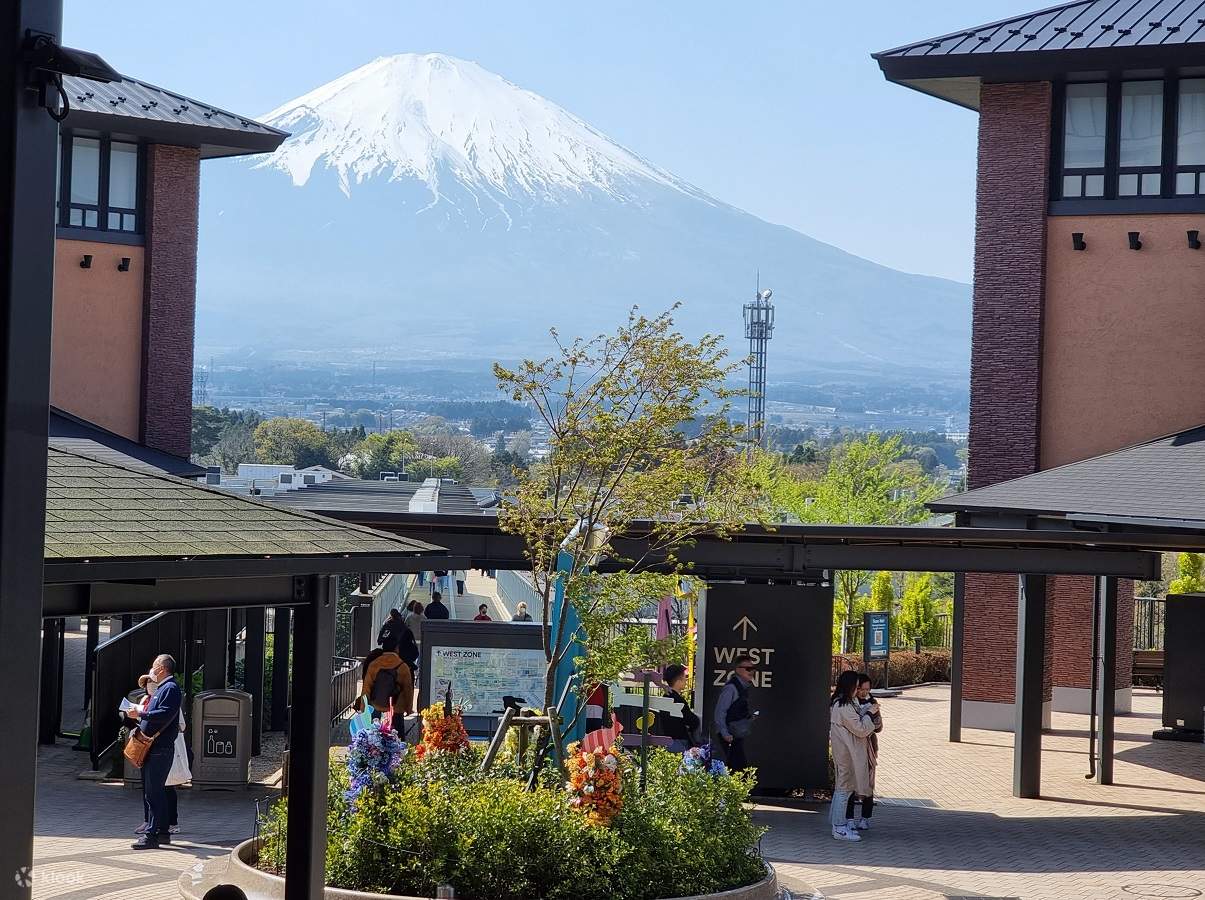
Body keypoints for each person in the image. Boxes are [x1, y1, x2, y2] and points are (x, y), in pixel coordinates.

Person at [126, 653, 181, 849]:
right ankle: (161, 832)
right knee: (153, 791)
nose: (152, 669)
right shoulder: (163, 688)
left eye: (154, 666)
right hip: (154, 747)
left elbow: (164, 714)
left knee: (153, 792)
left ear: (162, 669)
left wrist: (141, 713)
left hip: (159, 748)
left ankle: (153, 835)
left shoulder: (170, 688)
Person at [829, 670, 878, 842]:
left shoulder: (841, 703)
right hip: (847, 753)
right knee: (844, 790)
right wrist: (870, 713)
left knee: (841, 789)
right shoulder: (844, 706)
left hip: (844, 752)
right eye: (857, 687)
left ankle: (837, 825)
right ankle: (840, 828)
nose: (859, 690)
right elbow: (861, 729)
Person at [845, 674, 882, 831]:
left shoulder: (872, 702)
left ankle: (865, 818)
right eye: (861, 689)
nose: (864, 692)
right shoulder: (849, 703)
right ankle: (849, 819)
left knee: (867, 783)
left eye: (867, 689)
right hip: (852, 745)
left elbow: (879, 727)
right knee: (851, 783)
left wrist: (874, 717)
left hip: (868, 746)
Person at [713, 655, 757, 771]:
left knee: (738, 769)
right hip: (729, 737)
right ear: (738, 669)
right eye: (748, 669)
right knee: (737, 769)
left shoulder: (743, 688)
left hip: (735, 736)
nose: (752, 672)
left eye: (753, 669)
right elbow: (719, 712)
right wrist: (725, 733)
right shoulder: (731, 688)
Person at [357, 636, 414, 720]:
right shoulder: (403, 666)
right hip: (396, 708)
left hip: (376, 705)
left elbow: (366, 688)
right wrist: (409, 709)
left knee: (374, 731)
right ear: (396, 648)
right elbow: (408, 689)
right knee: (398, 731)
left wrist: (363, 707)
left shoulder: (374, 664)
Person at [659, 663, 700, 753]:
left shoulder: (664, 698)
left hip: (666, 741)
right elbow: (693, 721)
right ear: (678, 681)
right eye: (684, 678)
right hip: (680, 742)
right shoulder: (678, 700)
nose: (686, 681)